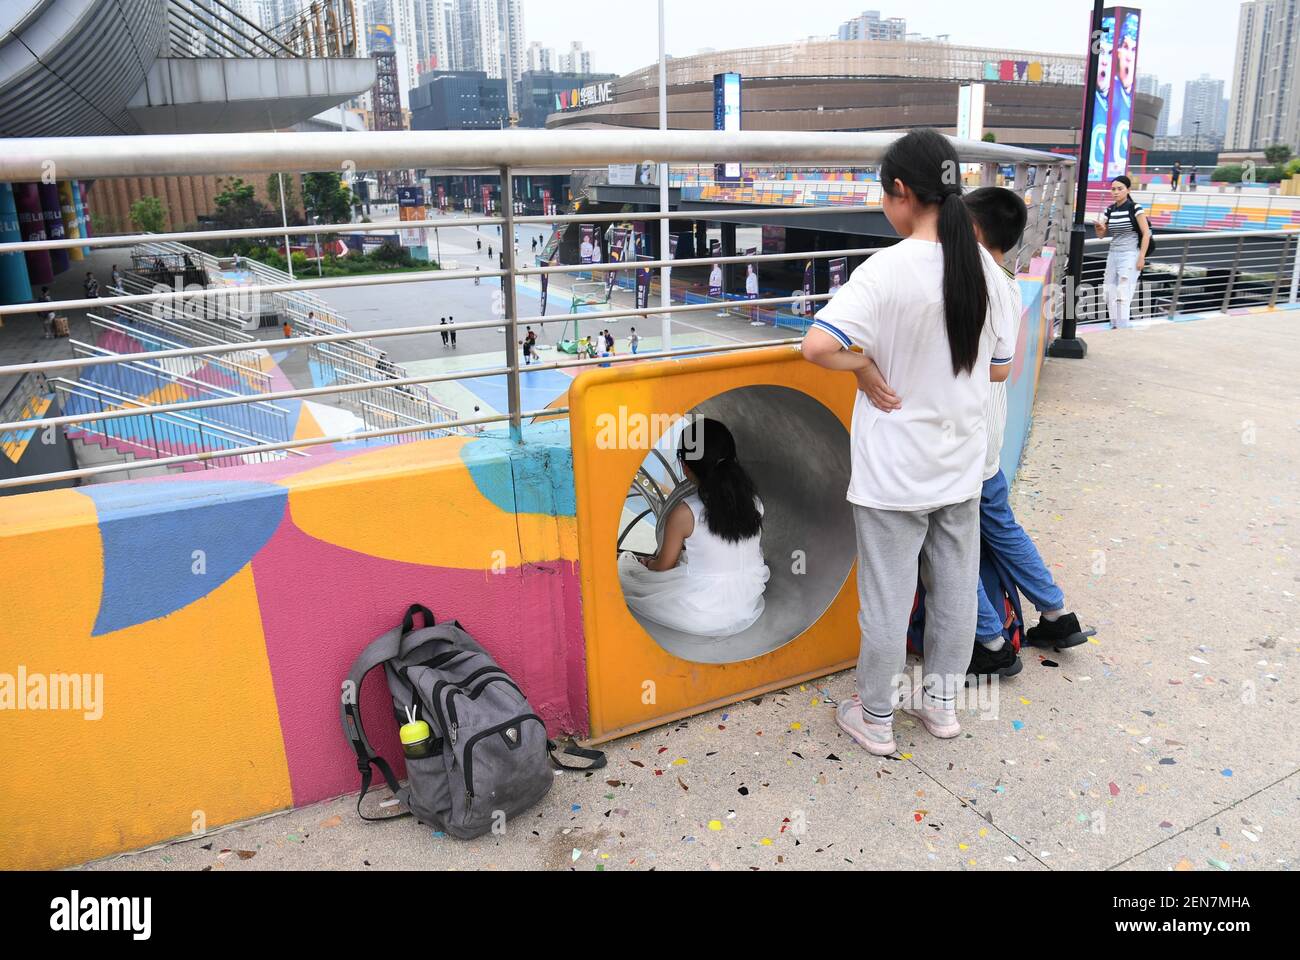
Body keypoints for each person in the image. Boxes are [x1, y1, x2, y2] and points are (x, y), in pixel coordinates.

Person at [801, 128, 1014, 757]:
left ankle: (875, 718)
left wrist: (865, 368)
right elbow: (999, 367)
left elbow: (817, 346)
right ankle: (943, 709)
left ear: (900, 191)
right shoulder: (987, 271)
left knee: (888, 602)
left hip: (895, 471)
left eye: (883, 194)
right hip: (961, 466)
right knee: (952, 590)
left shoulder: (886, 269)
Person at [858, 187, 1091, 679]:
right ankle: (1055, 613)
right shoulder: (1004, 281)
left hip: (959, 445)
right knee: (1000, 531)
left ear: (974, 231)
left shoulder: (969, 278)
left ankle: (989, 640)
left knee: (939, 555)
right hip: (985, 442)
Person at [617, 417, 770, 637]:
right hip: (746, 601)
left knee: (629, 579)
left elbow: (663, 567)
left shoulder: (685, 513)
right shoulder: (754, 501)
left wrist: (647, 563)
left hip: (701, 612)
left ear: (686, 467)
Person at [1095, 174, 1150, 329]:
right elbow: (1100, 236)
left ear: (1128, 190)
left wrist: (1141, 257)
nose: (1116, 192)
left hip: (1130, 254)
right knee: (1108, 292)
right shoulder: (1110, 210)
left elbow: (1146, 233)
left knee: (1123, 295)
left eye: (1120, 189)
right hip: (1113, 254)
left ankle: (1122, 327)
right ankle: (1114, 325)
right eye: (1113, 189)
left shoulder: (1135, 208)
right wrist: (1099, 228)